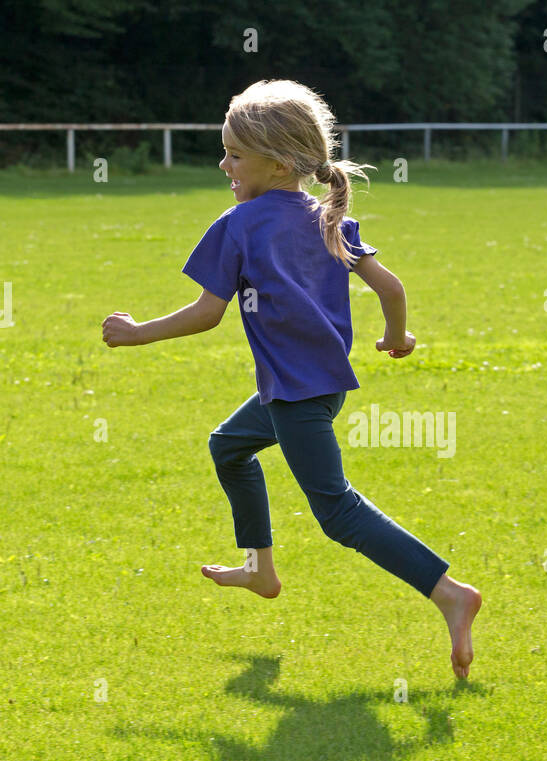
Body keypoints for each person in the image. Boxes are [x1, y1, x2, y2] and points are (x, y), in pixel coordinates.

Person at [102, 80, 480, 678]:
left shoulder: (241, 224)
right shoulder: (327, 216)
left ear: (278, 163)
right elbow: (391, 288)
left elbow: (207, 313)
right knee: (229, 445)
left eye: (234, 154)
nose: (224, 164)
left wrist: (136, 332)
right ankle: (260, 568)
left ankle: (448, 592)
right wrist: (397, 337)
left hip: (297, 396)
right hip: (313, 387)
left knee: (338, 512)